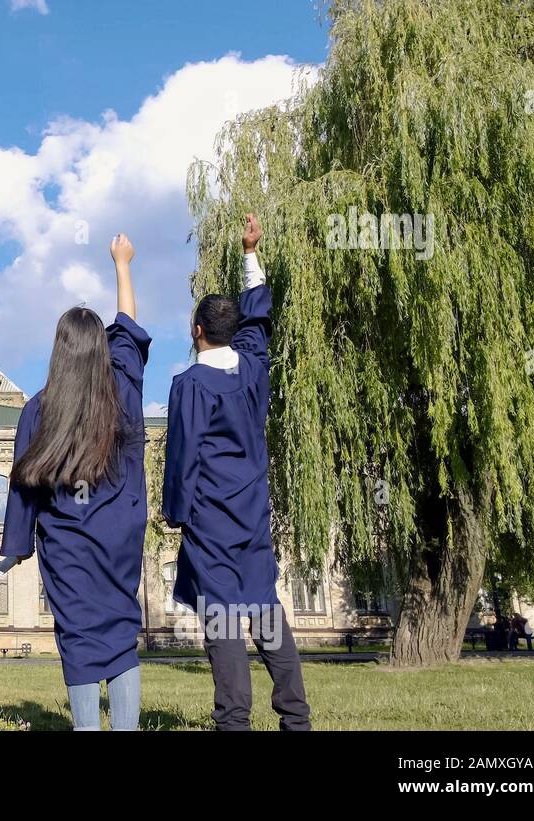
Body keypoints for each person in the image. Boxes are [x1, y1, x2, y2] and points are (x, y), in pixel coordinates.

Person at [162, 214, 311, 731]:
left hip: (210, 522)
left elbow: (182, 457)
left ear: (197, 331)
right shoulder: (253, 369)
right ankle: (295, 717)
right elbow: (260, 322)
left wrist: (175, 514)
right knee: (266, 610)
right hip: (252, 514)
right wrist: (251, 253)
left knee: (223, 621)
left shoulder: (189, 386)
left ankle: (234, 720)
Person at [1, 233, 150, 731]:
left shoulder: (38, 409)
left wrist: (16, 545)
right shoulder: (123, 391)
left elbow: (23, 484)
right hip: (119, 539)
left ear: (59, 352)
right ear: (101, 351)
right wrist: (122, 265)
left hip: (65, 546)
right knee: (120, 632)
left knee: (80, 636)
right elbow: (127, 329)